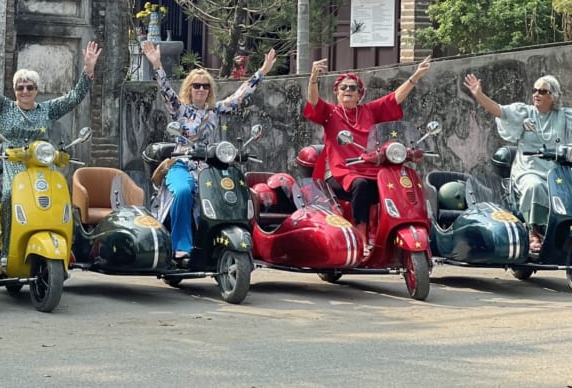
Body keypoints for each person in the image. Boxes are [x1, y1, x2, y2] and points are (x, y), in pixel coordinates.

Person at [0, 33, 101, 262]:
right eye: (20, 87)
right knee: (9, 196)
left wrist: (88, 70)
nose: (25, 91)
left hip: (42, 168)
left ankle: (66, 246)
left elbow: (74, 98)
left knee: (59, 195)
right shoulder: (4, 108)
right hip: (12, 166)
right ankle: (6, 249)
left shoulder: (46, 110)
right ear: (15, 89)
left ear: (37, 89)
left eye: (30, 87)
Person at [142, 40, 276, 266]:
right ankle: (181, 248)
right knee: (184, 192)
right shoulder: (180, 109)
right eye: (196, 85)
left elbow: (240, 96)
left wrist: (262, 72)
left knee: (229, 195)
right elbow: (165, 89)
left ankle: (215, 244)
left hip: (208, 168)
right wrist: (156, 63)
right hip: (181, 165)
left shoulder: (216, 110)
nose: (201, 89)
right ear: (189, 89)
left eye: (205, 86)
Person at [463, 72, 572, 253]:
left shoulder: (564, 116)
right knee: (534, 186)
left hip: (556, 172)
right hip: (528, 170)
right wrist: (479, 95)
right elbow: (499, 110)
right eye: (534, 90)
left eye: (542, 91)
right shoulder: (524, 113)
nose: (536, 94)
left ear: (553, 96)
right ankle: (534, 232)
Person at [303, 55, 431, 257]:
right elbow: (314, 103)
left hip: (374, 170)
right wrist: (313, 78)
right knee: (360, 184)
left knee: (399, 183)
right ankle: (360, 236)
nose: (347, 90)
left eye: (352, 88)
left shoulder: (369, 111)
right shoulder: (331, 112)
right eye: (343, 87)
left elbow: (394, 98)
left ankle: (395, 232)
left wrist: (416, 76)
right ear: (336, 92)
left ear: (360, 94)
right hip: (341, 172)